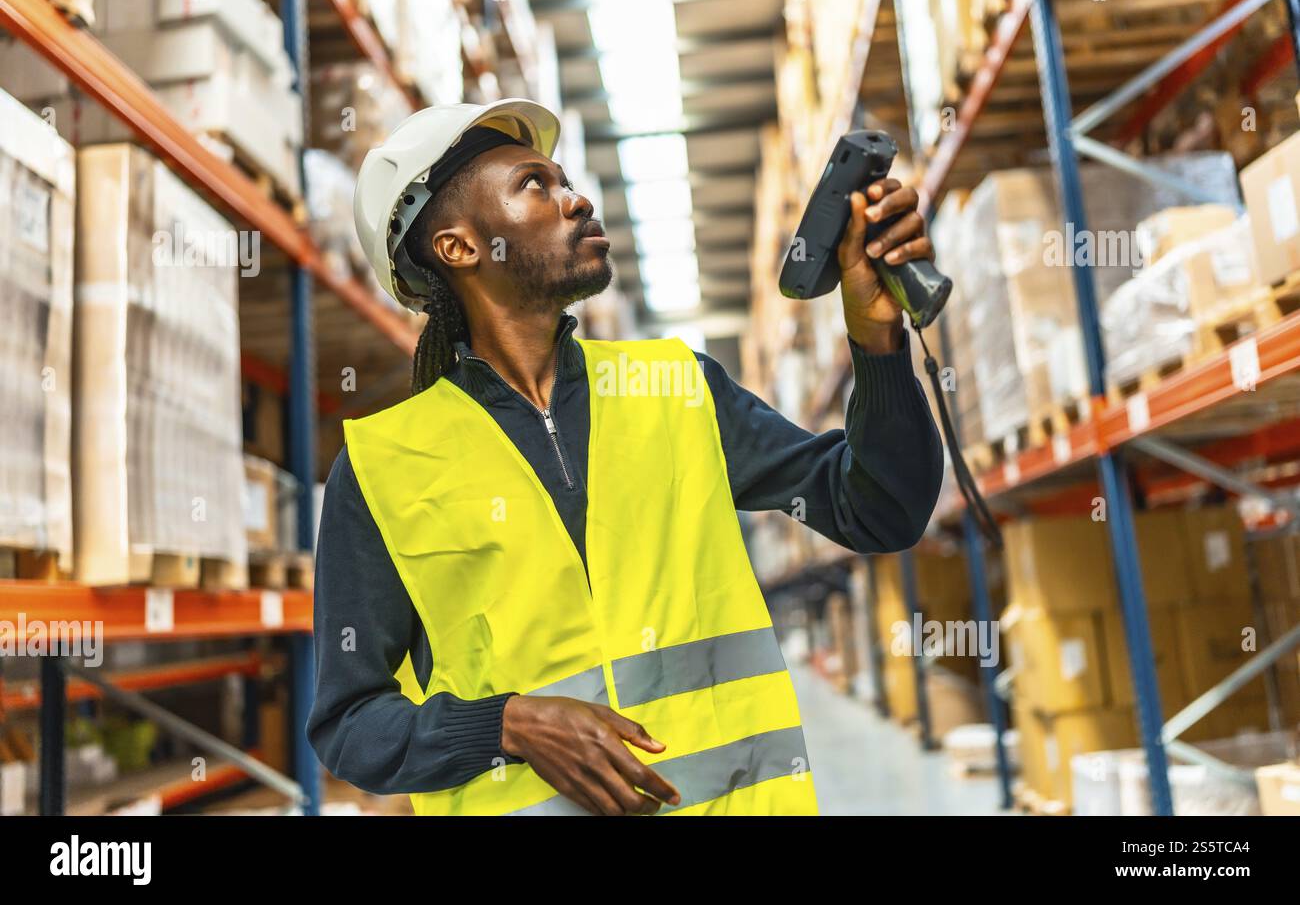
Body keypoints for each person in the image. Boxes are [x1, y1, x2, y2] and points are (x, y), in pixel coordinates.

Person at [308, 99, 944, 815]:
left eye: (565, 179)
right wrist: (507, 724)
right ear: (458, 248)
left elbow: (881, 509)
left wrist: (878, 342)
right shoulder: (383, 464)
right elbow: (349, 723)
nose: (576, 200)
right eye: (533, 185)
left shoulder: (677, 389)